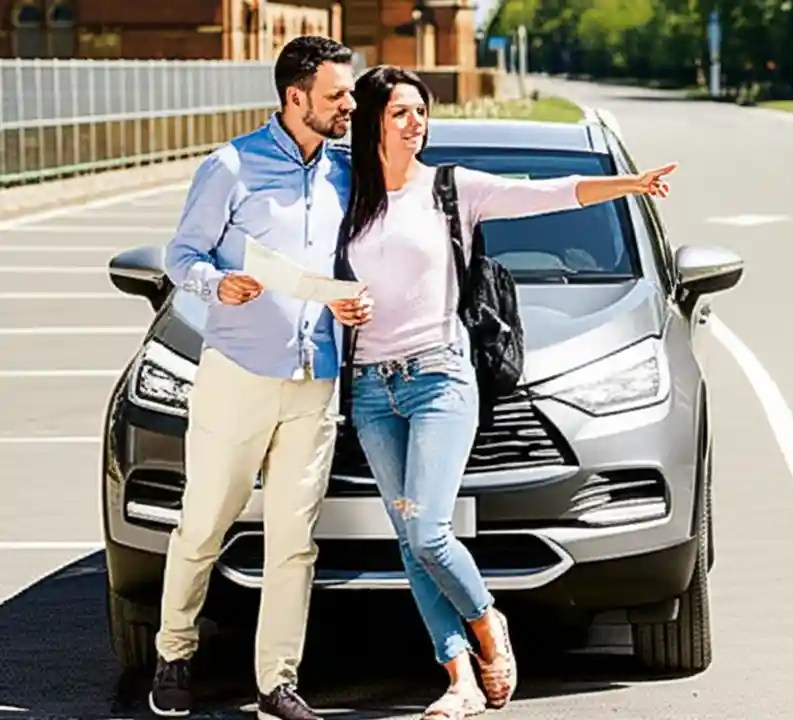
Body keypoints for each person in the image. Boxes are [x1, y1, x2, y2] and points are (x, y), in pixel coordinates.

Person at [331, 64, 676, 719]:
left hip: (439, 380)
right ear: (374, 119)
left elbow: (553, 193)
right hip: (373, 393)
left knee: (430, 531)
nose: (416, 123)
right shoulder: (347, 199)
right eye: (401, 112)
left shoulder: (452, 189)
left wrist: (629, 184)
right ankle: (458, 676)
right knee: (409, 540)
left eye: (421, 111)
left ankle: (490, 625)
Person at [152, 36, 369, 720]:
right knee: (203, 524)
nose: (349, 106)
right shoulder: (230, 166)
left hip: (316, 379)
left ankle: (277, 680)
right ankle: (174, 653)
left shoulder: (344, 173)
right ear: (295, 97)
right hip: (238, 374)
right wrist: (219, 285)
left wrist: (353, 298)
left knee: (294, 539)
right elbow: (181, 254)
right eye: (338, 95)